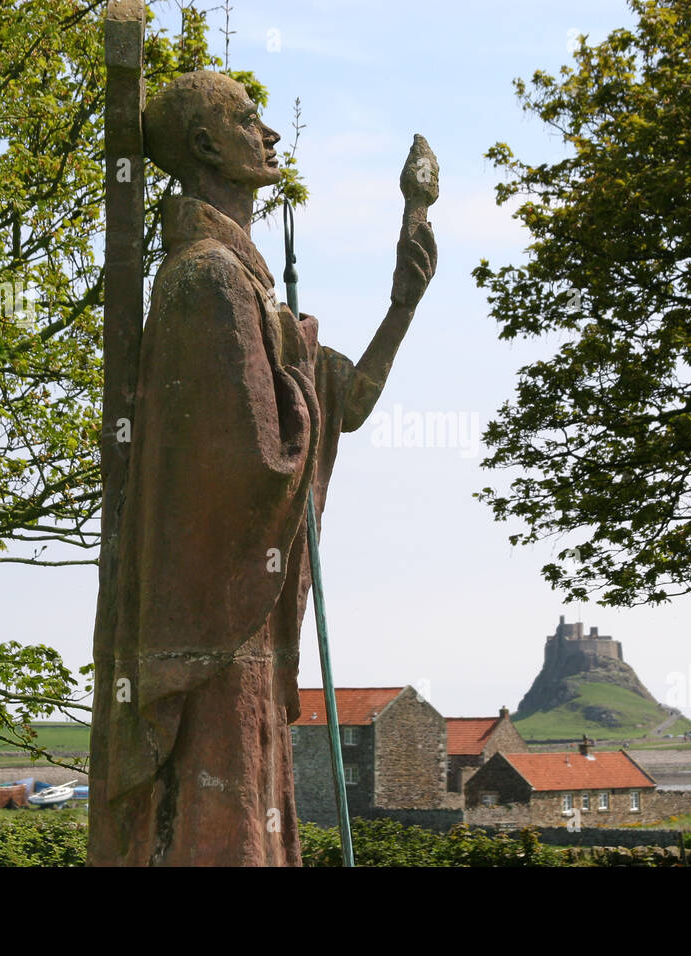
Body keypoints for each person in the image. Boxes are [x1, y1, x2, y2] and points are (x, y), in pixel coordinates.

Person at [89, 71, 436, 866]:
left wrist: (403, 303)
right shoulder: (205, 280)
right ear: (207, 146)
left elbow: (340, 404)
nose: (271, 136)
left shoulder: (238, 283)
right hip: (216, 636)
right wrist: (298, 362)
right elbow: (255, 464)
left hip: (239, 633)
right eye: (250, 121)